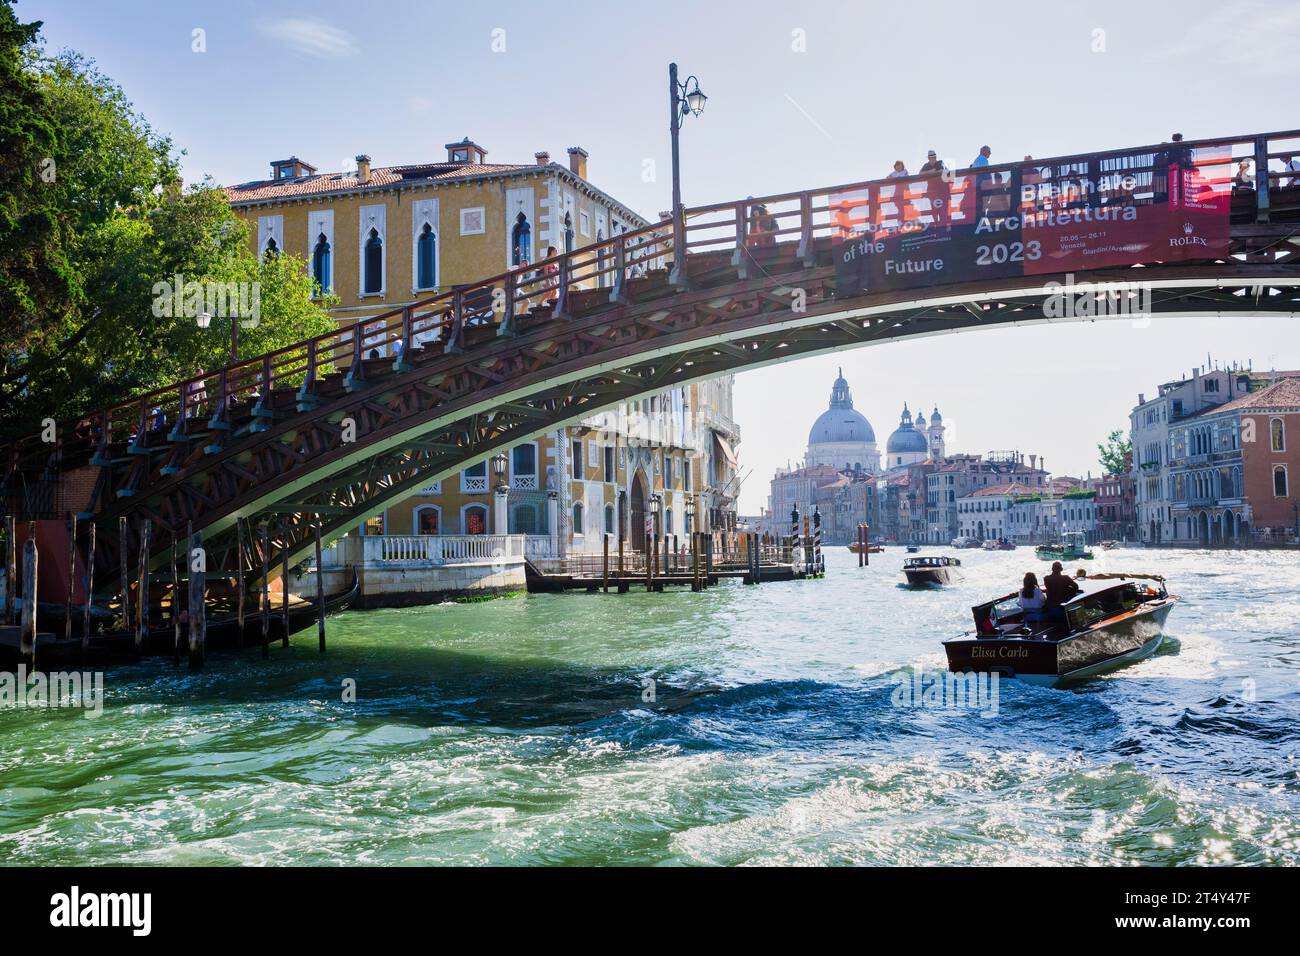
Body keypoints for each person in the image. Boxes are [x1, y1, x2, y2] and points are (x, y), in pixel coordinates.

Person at [1042, 561, 1081, 628]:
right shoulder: (1066, 578)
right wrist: (1069, 590)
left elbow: (1049, 588)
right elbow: (1076, 587)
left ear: (1052, 569)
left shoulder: (1046, 578)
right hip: (1063, 607)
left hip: (1050, 606)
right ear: (1061, 569)